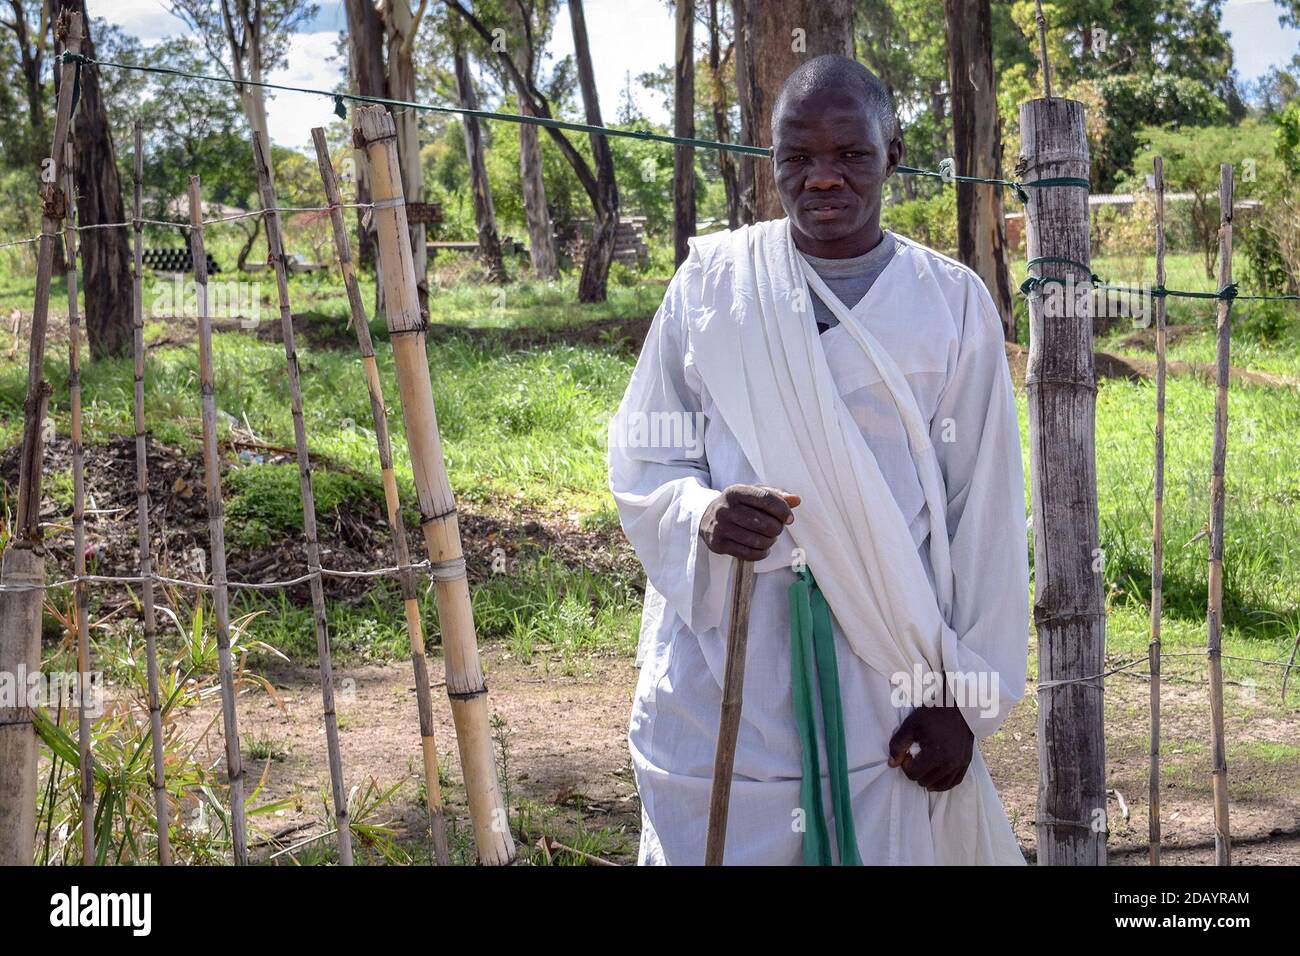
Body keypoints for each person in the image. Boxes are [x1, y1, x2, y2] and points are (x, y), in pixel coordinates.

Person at [607, 54, 1030, 865]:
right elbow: (647, 454)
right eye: (798, 157)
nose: (823, 179)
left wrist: (967, 704)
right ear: (772, 163)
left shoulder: (949, 302)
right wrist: (702, 514)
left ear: (893, 155)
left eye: (850, 156)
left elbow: (988, 511)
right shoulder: (713, 287)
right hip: (727, 659)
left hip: (888, 669)